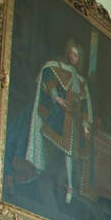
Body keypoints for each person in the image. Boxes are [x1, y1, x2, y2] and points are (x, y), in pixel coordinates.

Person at [26, 38, 93, 206]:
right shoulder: (57, 67)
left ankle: (69, 186)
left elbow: (84, 106)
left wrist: (85, 126)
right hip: (60, 116)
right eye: (70, 53)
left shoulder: (82, 81)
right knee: (56, 146)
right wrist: (55, 97)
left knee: (69, 153)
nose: (72, 57)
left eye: (76, 55)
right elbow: (49, 76)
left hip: (74, 119)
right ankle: (42, 173)